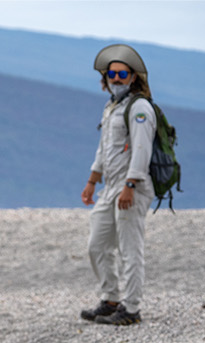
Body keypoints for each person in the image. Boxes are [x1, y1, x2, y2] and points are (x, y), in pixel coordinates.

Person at [80, 43, 156, 327]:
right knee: (96, 244)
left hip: (131, 187)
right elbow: (105, 148)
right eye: (112, 73)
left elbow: (141, 149)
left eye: (122, 73)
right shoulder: (113, 108)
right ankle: (110, 299)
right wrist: (92, 181)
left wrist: (130, 185)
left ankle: (132, 308)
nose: (116, 78)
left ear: (133, 76)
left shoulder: (140, 109)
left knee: (129, 248)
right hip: (110, 186)